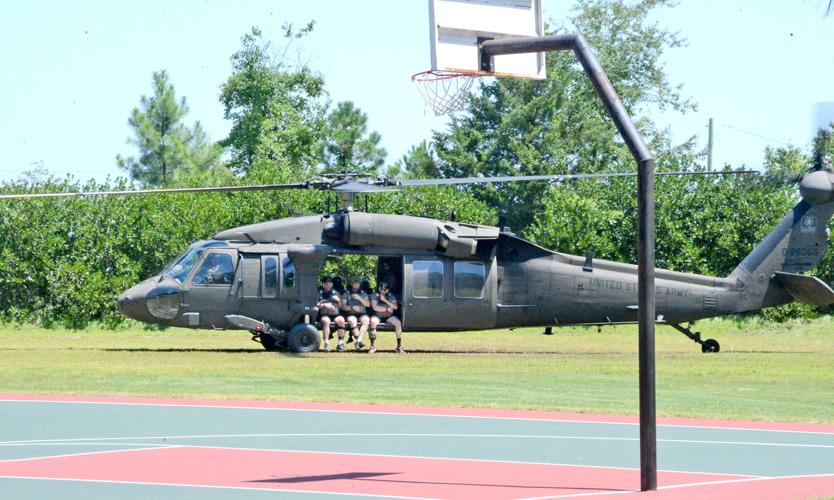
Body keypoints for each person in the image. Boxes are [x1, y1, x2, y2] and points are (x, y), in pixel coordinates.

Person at [369, 281, 404, 354]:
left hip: (388, 317)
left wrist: (385, 300)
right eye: (381, 289)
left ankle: (399, 346)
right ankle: (372, 346)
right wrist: (387, 309)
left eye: (385, 289)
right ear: (379, 288)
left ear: (387, 290)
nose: (383, 291)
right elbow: (375, 307)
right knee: (373, 322)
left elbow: (395, 307)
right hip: (377, 316)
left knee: (398, 323)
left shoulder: (391, 296)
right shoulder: (375, 295)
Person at [341, 276, 370, 351]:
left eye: (358, 283)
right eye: (355, 283)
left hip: (362, 314)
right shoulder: (346, 293)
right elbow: (343, 307)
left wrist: (359, 298)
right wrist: (352, 308)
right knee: (352, 321)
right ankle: (359, 342)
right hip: (351, 313)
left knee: (366, 320)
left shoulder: (363, 293)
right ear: (351, 284)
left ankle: (358, 341)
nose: (357, 285)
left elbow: (368, 304)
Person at [317, 276, 346, 352]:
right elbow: (315, 305)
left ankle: (341, 343)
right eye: (326, 283)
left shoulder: (336, 292)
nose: (328, 285)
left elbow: (341, 307)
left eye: (329, 283)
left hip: (335, 314)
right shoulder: (319, 292)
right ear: (323, 284)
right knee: (326, 321)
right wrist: (325, 305)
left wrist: (339, 300)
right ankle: (326, 343)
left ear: (332, 284)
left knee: (341, 320)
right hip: (324, 314)